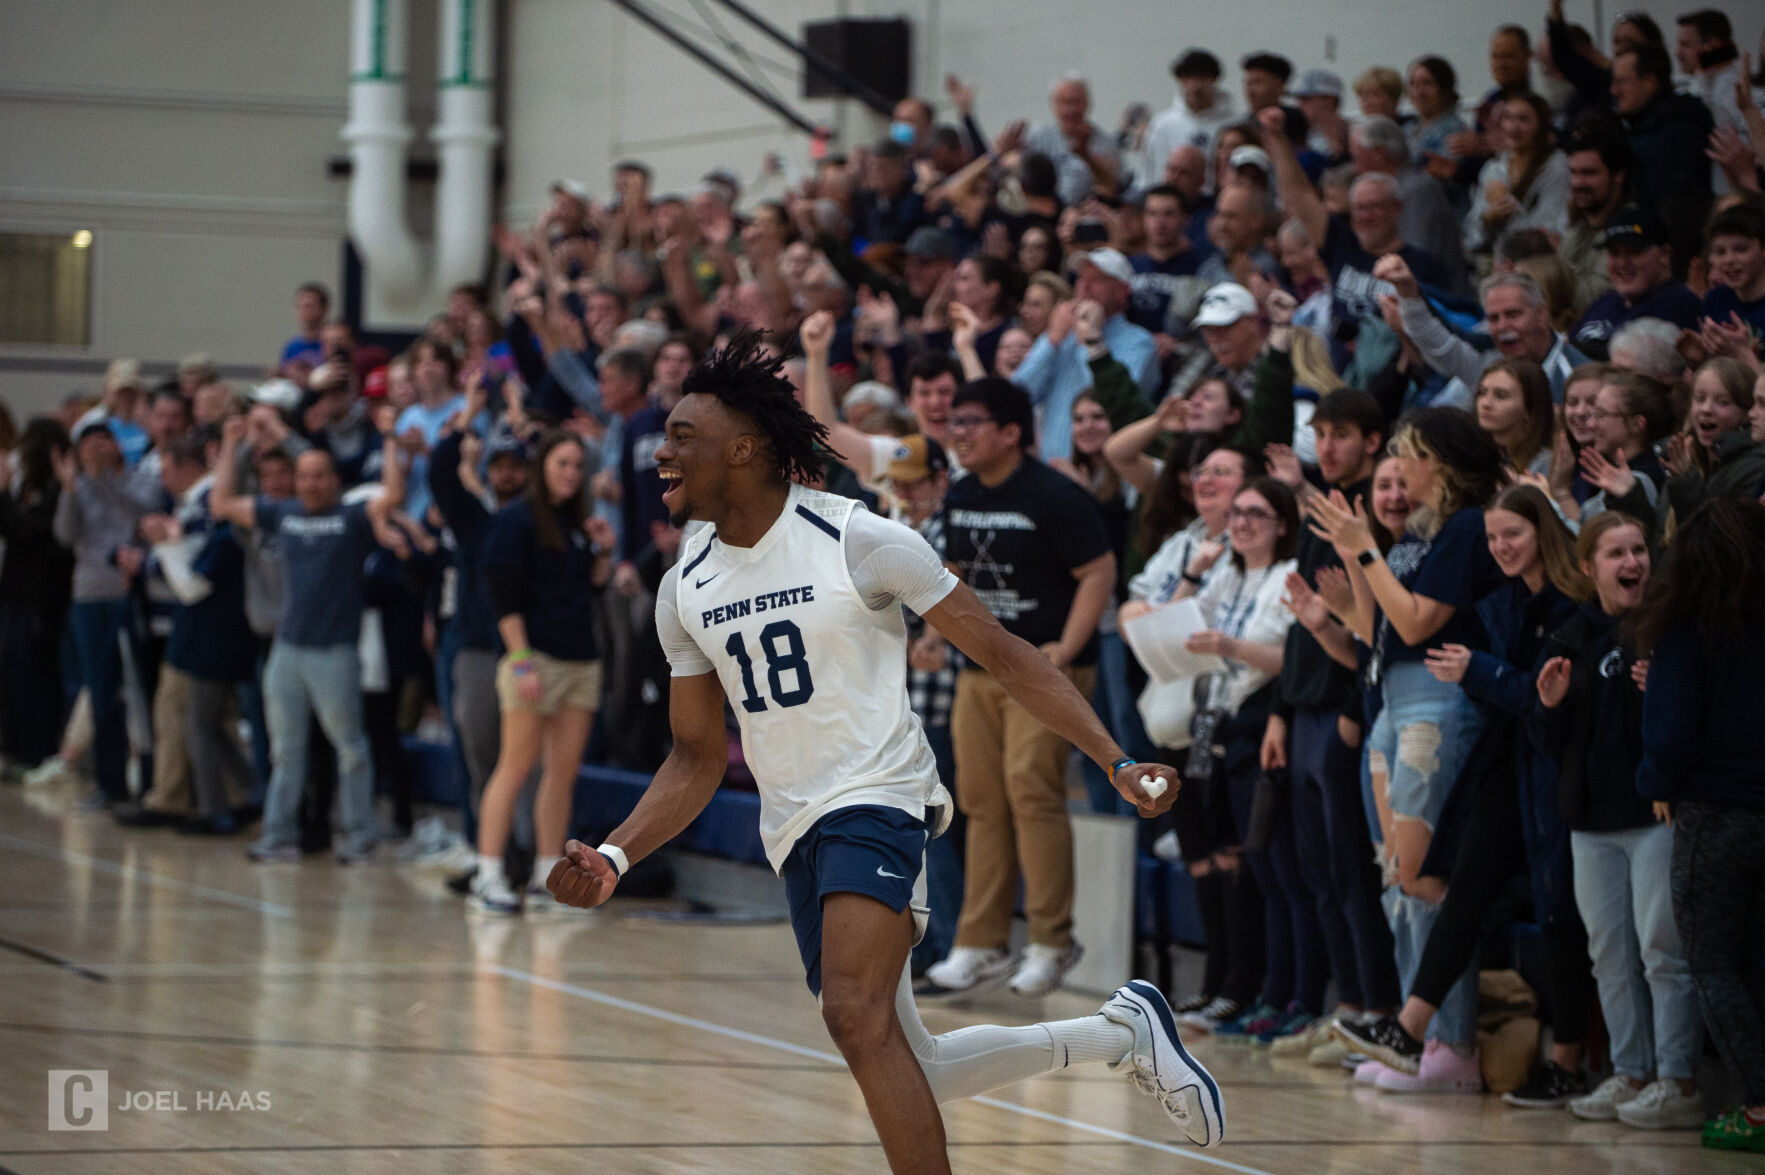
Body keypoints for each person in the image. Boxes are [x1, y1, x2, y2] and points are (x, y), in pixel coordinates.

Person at [544, 334, 1225, 1169]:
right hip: (793, 823)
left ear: (744, 449)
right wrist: (615, 854)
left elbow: (1005, 653)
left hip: (878, 796)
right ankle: (1121, 1030)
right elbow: (691, 758)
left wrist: (1116, 760)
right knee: (904, 1058)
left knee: (853, 1014)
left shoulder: (855, 538)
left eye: (684, 436)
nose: (661, 451)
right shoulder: (683, 584)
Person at [1337, 486, 1590, 1103]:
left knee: (1563, 917)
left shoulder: (1570, 608)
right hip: (1509, 764)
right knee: (1455, 888)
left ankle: (1570, 1062)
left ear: (1545, 535)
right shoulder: (1501, 603)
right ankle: (1412, 1031)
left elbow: (1545, 703)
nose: (1502, 547)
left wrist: (1480, 673)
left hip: (1564, 773)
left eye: (1515, 535)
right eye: (1494, 537)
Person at [1307, 407, 1507, 1094]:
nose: (1400, 464)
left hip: (1435, 697)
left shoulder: (1463, 527)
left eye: (1408, 452)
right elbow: (1384, 627)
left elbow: (1421, 619)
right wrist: (1351, 571)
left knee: (1420, 872)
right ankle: (1408, 1037)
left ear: (1441, 463)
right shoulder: (1420, 533)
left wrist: (1363, 548)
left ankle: (1448, 1044)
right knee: (1393, 870)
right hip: (1391, 694)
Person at [924, 376, 1117, 999]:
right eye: (953, 422)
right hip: (982, 669)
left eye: (971, 422)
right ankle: (980, 943)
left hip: (1046, 671)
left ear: (1012, 432)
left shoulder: (1055, 495)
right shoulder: (957, 496)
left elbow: (1098, 571)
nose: (958, 433)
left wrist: (1066, 645)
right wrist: (939, 634)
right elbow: (953, 573)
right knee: (979, 801)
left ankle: (1052, 941)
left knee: (1032, 793)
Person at [1534, 512, 1703, 1130]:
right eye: (1616, 553)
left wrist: (1666, 689)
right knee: (1609, 953)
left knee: (1663, 951)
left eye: (1639, 550)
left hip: (1654, 814)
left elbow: (1696, 718)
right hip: (1590, 821)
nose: (1632, 562)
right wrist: (1548, 708)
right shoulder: (1571, 634)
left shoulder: (1668, 630)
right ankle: (1630, 1073)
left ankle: (1677, 1080)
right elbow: (1553, 741)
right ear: (1587, 566)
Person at [1261, 390, 1401, 1060]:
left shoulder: (1374, 508)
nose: (1328, 443)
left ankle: (1377, 1010)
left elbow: (1369, 622)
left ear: (1373, 440)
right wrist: (1281, 712)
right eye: (1320, 431)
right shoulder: (1321, 507)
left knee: (1353, 872)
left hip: (1346, 711)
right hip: (1306, 707)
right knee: (1321, 875)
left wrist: (1350, 707)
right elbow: (1306, 617)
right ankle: (1347, 1007)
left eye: (1341, 432)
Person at [208, 415, 405, 862]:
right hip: (287, 650)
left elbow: (393, 495)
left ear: (334, 480)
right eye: (304, 476)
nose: (311, 483)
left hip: (334, 651)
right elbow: (221, 502)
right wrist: (229, 442)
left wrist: (390, 437)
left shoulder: (352, 519)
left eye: (319, 476)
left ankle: (360, 836)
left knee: (350, 748)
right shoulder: (282, 514)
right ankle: (280, 836)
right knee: (286, 751)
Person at [1631, 497, 1765, 1153]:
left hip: (1713, 814)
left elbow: (1670, 737)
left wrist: (1651, 783)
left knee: (1711, 963)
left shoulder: (1686, 634)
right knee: (1755, 960)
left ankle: (1758, 1107)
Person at [468, 431, 614, 913]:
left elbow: (590, 590)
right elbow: (502, 597)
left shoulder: (575, 523)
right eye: (562, 463)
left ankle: (545, 875)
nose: (571, 473)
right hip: (535, 660)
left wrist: (604, 553)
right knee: (515, 766)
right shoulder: (515, 520)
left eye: (577, 466)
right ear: (543, 465)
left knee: (562, 773)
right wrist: (521, 661)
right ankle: (488, 874)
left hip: (580, 659)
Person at [52, 417, 162, 807]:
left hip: (129, 593)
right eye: (89, 443)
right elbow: (65, 536)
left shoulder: (140, 478)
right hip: (88, 595)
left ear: (117, 445)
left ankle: (150, 780)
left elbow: (141, 513)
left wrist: (102, 478)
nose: (98, 449)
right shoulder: (78, 485)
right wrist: (68, 488)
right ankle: (109, 783)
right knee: (99, 690)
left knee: (136, 687)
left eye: (104, 440)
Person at [1384, 261, 1590, 406]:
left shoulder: (1577, 375)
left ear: (1541, 315)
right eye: (1493, 318)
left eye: (1513, 314)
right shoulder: (1487, 360)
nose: (1502, 326)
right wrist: (1408, 291)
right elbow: (1436, 343)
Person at [0, 419, 75, 776]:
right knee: (13, 672)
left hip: (42, 598)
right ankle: (16, 746)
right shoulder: (27, 488)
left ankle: (38, 750)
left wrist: (1, 494)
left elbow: (29, 533)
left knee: (35, 675)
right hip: (16, 593)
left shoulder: (58, 490)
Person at [1571, 207, 1702, 361]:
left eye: (1634, 252)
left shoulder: (1679, 304)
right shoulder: (1606, 300)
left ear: (1664, 254)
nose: (1622, 263)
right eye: (1614, 253)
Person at [1464, 92, 1570, 259]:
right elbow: (1472, 233)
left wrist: (1510, 208)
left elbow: (1551, 225)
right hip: (1497, 261)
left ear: (1541, 125)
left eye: (1523, 119)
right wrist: (1489, 218)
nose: (1513, 127)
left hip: (1540, 262)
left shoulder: (1557, 164)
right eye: (1508, 118)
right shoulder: (1494, 168)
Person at [1136, 49, 1237, 197]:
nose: (1195, 85)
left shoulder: (1232, 124)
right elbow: (1149, 172)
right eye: (1188, 78)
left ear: (1214, 79)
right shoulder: (1161, 124)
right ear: (1180, 81)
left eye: (1202, 77)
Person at [1560, 123, 1633, 308]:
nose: (1577, 183)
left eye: (1589, 173)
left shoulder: (1634, 231)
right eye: (1573, 173)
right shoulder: (1576, 230)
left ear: (1618, 175)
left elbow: (1600, 300)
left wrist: (1544, 275)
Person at [1474, 358, 1555, 476]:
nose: (1485, 403)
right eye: (1482, 392)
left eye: (1501, 395)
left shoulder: (1543, 465)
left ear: (1529, 408)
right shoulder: (1473, 454)